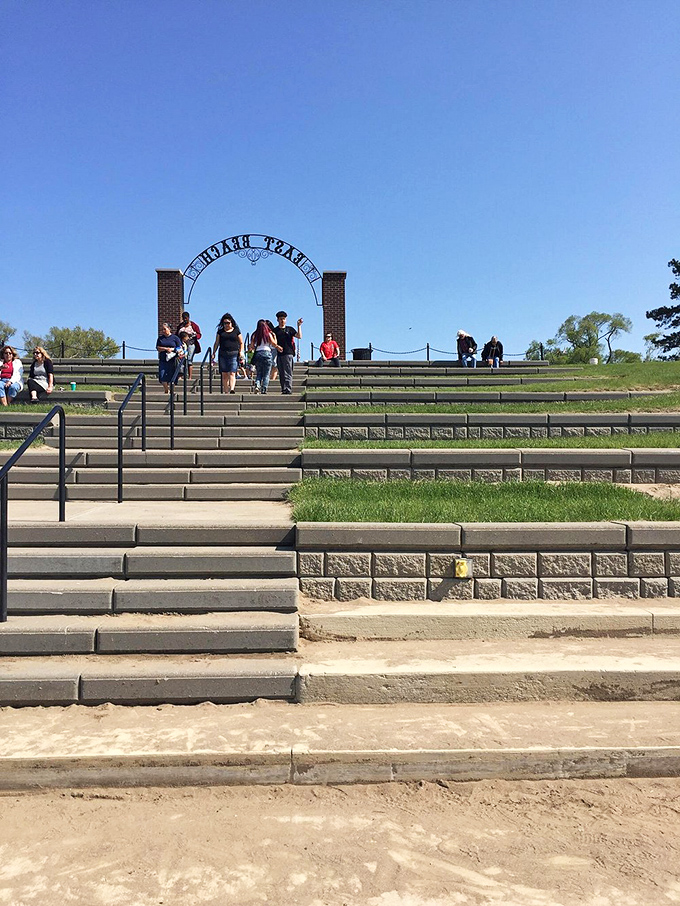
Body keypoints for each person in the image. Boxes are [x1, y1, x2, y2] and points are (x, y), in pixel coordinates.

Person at [212, 312, 244, 394]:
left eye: (228, 323)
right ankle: (226, 390)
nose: (226, 325)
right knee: (224, 373)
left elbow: (241, 342)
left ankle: (232, 389)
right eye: (224, 323)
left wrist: (241, 352)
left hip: (234, 353)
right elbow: (216, 342)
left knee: (232, 372)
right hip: (223, 353)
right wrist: (213, 352)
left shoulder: (236, 331)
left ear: (231, 322)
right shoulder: (220, 332)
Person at [273, 311, 302, 394]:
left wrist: (299, 326)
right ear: (278, 320)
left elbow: (299, 336)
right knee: (281, 373)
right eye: (281, 319)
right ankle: (283, 388)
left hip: (288, 353)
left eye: (284, 319)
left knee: (288, 372)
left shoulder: (290, 329)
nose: (282, 321)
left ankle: (288, 388)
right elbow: (271, 341)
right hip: (279, 354)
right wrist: (277, 346)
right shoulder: (275, 330)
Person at [248, 319, 280, 394]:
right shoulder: (268, 334)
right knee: (266, 374)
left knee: (259, 373)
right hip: (267, 353)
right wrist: (275, 337)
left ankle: (257, 385)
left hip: (258, 353)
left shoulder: (254, 335)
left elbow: (252, 346)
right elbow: (274, 344)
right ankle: (264, 389)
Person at [156, 322, 184, 394]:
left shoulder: (175, 338)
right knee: (162, 374)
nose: (163, 331)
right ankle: (166, 389)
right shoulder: (160, 338)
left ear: (169, 329)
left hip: (173, 360)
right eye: (162, 329)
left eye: (164, 329)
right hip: (163, 359)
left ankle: (172, 390)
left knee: (172, 375)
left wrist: (172, 349)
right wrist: (166, 349)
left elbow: (180, 348)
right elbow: (158, 347)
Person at [175, 311, 201, 379]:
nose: (185, 319)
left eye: (186, 318)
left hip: (191, 343)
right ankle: (180, 375)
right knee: (181, 358)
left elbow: (199, 334)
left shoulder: (193, 325)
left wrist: (194, 336)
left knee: (189, 359)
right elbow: (176, 334)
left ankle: (190, 377)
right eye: (183, 318)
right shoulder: (180, 326)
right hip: (182, 344)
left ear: (188, 318)